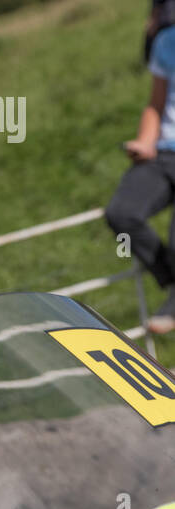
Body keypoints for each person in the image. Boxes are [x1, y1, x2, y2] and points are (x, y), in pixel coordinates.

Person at [105, 23, 175, 334]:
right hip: (163, 152)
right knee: (121, 214)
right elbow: (156, 104)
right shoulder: (166, 41)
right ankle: (173, 283)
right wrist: (145, 141)